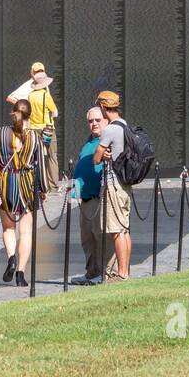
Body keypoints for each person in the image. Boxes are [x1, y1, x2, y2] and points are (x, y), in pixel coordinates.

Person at [0, 99, 37, 288]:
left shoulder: (0, 133)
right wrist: (41, 190)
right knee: (25, 232)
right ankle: (21, 273)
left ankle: (11, 257)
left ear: (13, 112)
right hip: (26, 183)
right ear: (30, 115)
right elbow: (38, 164)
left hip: (6, 182)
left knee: (8, 228)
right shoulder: (34, 137)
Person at [70, 105, 118, 285]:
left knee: (102, 237)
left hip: (101, 197)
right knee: (87, 238)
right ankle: (91, 273)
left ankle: (108, 274)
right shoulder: (88, 142)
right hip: (86, 198)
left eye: (98, 120)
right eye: (90, 121)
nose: (94, 124)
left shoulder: (109, 141)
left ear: (106, 120)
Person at [92, 90, 132, 280]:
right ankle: (126, 271)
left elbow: (96, 158)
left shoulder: (110, 129)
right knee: (124, 229)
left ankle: (122, 274)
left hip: (112, 184)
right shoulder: (124, 125)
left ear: (102, 107)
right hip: (125, 184)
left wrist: (102, 154)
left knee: (116, 231)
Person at [9, 64, 59, 190]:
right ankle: (53, 185)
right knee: (52, 157)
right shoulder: (45, 95)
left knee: (36, 155)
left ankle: (36, 183)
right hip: (47, 129)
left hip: (33, 129)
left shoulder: (30, 95)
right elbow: (55, 112)